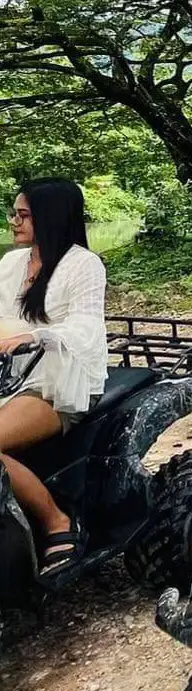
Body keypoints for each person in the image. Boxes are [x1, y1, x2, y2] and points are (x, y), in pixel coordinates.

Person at [0, 179, 108, 573]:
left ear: (49, 216)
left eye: (23, 215)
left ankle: (55, 520)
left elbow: (86, 328)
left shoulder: (82, 265)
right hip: (10, 374)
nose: (14, 221)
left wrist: (33, 335)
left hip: (58, 380)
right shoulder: (12, 264)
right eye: (14, 213)